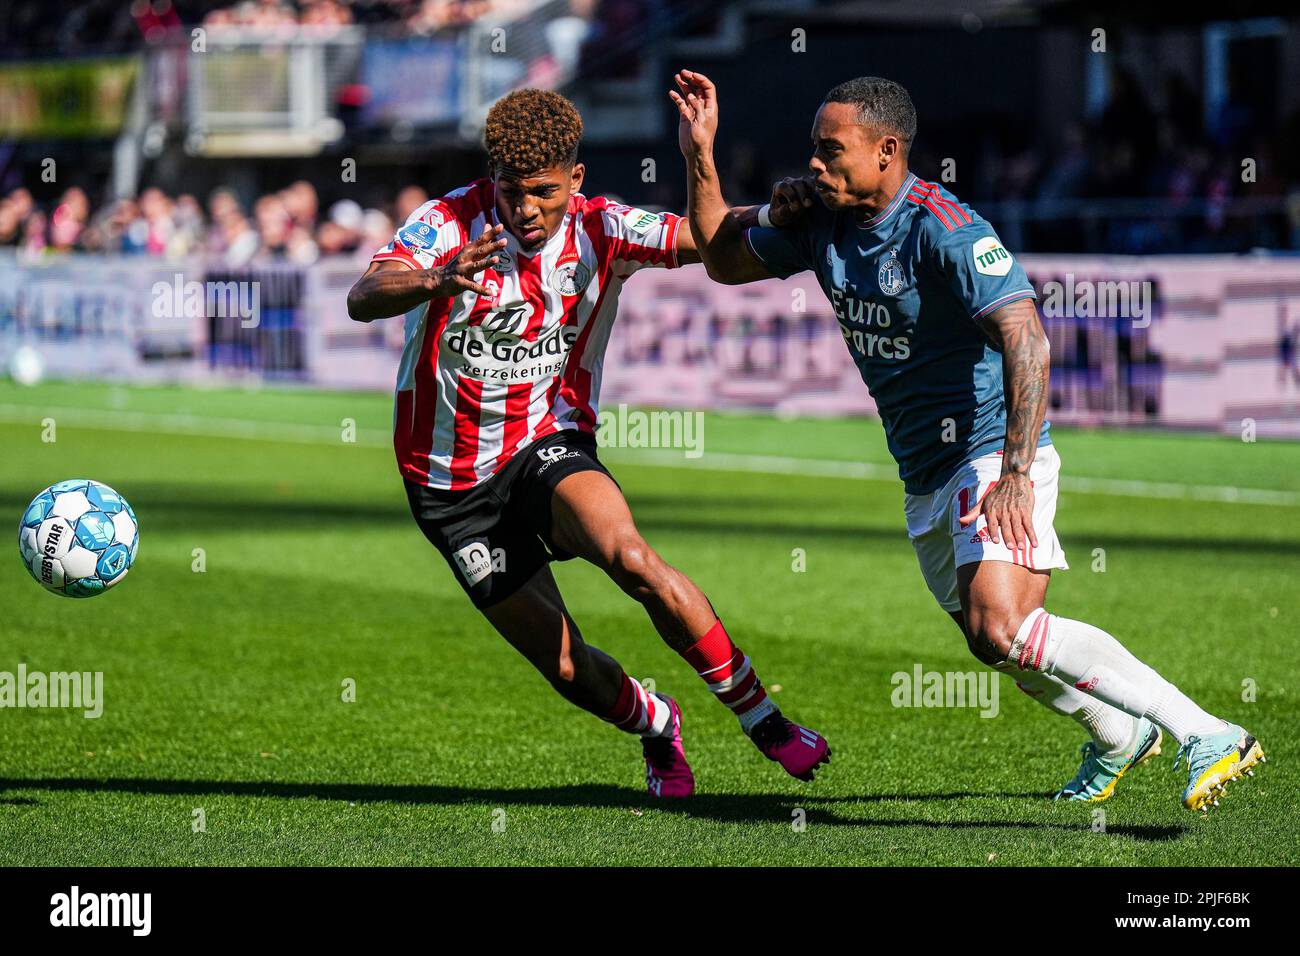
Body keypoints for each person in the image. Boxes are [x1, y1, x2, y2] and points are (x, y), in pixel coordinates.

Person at [672, 69, 1263, 811]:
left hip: (990, 447)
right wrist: (702, 151)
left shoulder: (945, 229)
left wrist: (1015, 472)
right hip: (923, 469)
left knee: (1003, 622)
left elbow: (1027, 337)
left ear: (887, 150)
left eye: (831, 151)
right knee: (990, 641)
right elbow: (722, 261)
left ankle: (1207, 731)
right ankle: (1117, 734)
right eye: (813, 151)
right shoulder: (819, 220)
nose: (815, 164)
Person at [347, 88, 830, 798]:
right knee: (567, 668)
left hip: (546, 440)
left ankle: (764, 719)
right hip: (447, 483)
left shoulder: (605, 226)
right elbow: (366, 294)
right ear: (493, 184)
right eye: (512, 193)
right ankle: (657, 724)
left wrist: (712, 165)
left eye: (544, 192)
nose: (526, 209)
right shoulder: (448, 221)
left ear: (574, 181)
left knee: (631, 556)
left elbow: (713, 239)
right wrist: (435, 278)